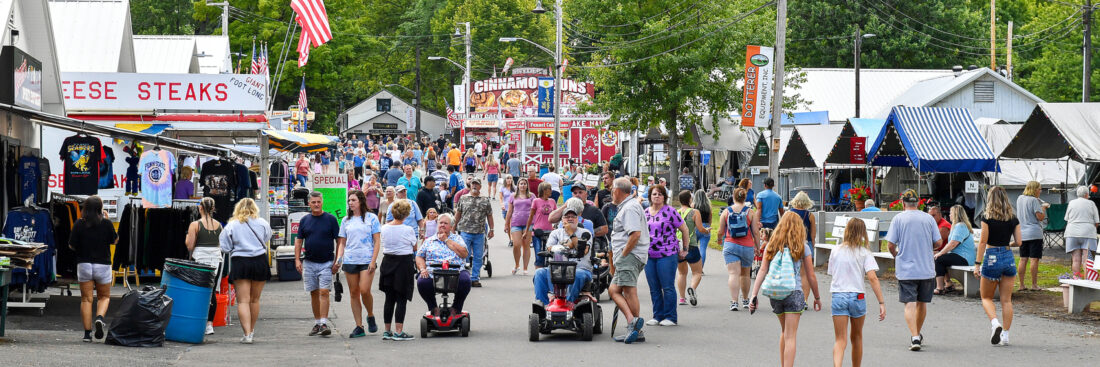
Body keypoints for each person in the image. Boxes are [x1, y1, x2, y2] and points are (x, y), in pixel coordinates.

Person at [747, 212, 822, 367]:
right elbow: (811, 275)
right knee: (791, 336)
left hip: (776, 294)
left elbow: (762, 270)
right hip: (794, 292)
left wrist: (754, 294)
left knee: (784, 332)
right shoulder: (802, 246)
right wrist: (817, 297)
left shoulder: (771, 245)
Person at [885, 189, 941, 351]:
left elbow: (890, 244)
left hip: (906, 268)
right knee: (922, 303)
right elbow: (938, 243)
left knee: (909, 302)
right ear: (918, 203)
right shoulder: (928, 219)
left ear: (903, 203)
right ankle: (917, 333)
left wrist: (895, 255)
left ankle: (915, 336)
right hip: (926, 267)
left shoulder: (898, 219)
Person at [828, 218, 886, 367]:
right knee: (857, 337)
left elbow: (832, 273)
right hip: (857, 295)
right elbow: (872, 278)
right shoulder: (864, 253)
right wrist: (881, 302)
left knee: (840, 339)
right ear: (863, 233)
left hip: (839, 294)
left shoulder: (835, 250)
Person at [219, 198, 272, 344]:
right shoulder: (262, 223)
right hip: (259, 261)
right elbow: (268, 237)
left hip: (240, 262)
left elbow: (224, 247)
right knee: (255, 300)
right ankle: (252, 330)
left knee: (243, 301)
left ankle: (247, 334)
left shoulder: (232, 225)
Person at [975, 186, 1020, 346]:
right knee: (1006, 300)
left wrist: (977, 264)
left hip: (992, 255)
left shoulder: (986, 218)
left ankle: (995, 323)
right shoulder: (1013, 218)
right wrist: (1008, 243)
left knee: (986, 296)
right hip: (1008, 256)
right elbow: (1019, 242)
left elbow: (982, 242)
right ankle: (1006, 336)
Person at [608, 177, 651, 344]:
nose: (611, 192)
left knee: (628, 291)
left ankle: (634, 325)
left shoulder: (630, 208)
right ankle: (633, 324)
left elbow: (635, 234)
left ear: (618, 190)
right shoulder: (629, 206)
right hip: (630, 256)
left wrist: (623, 255)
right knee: (614, 290)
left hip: (629, 256)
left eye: (612, 189)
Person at [293, 192, 342, 337]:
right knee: (313, 292)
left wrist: (337, 261)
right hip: (309, 262)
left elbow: (339, 241)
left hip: (327, 261)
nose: (316, 204)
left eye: (318, 202)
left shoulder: (331, 219)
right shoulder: (305, 220)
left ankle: (324, 322)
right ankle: (317, 322)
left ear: (322, 202)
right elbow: (298, 241)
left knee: (324, 291)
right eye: (313, 202)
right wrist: (297, 259)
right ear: (309, 203)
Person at [70, 196, 117, 343]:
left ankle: (87, 334)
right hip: (102, 265)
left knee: (86, 299)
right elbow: (115, 240)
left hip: (84, 264)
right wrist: (106, 219)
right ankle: (100, 318)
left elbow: (71, 245)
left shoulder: (79, 224)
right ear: (99, 209)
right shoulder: (107, 223)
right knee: (104, 297)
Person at [339, 190, 382, 338]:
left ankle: (370, 315)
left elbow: (377, 241)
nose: (350, 203)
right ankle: (359, 325)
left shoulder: (372, 218)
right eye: (349, 200)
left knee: (364, 290)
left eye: (353, 200)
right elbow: (342, 242)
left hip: (366, 260)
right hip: (350, 259)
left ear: (361, 201)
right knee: (353, 293)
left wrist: (373, 260)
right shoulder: (346, 220)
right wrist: (339, 257)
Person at [533, 204, 592, 305]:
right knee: (539, 273)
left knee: (577, 274)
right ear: (562, 220)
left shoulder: (585, 233)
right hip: (557, 269)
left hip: (579, 268)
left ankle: (568, 303)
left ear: (577, 219)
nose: (570, 219)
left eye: (573, 216)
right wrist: (568, 246)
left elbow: (583, 250)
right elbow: (550, 248)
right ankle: (544, 305)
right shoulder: (555, 233)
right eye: (567, 216)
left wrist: (571, 234)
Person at [416, 213, 472, 315]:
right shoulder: (429, 241)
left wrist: (446, 240)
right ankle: (433, 308)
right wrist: (422, 269)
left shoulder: (457, 238)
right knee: (422, 282)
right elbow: (419, 256)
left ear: (451, 227)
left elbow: (464, 254)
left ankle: (456, 308)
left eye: (445, 223)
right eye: (440, 223)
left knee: (466, 280)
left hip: (455, 271)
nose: (442, 225)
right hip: (433, 271)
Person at [378, 200, 418, 341]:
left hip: (388, 261)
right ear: (406, 214)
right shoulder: (408, 229)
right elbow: (414, 247)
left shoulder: (384, 228)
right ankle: (399, 331)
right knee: (401, 298)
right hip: (403, 263)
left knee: (389, 299)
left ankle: (387, 331)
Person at [184, 198, 223, 336]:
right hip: (216, 259)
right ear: (213, 209)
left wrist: (187, 238)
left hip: (200, 257)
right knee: (211, 292)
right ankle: (209, 324)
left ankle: (196, 320)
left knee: (197, 290)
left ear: (200, 208)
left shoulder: (195, 225)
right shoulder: (219, 225)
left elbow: (190, 246)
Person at [719, 188, 760, 311]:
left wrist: (719, 240)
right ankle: (746, 300)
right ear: (745, 197)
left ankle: (734, 302)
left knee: (733, 274)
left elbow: (721, 231)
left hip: (731, 245)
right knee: (745, 275)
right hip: (747, 246)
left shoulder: (726, 211)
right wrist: (757, 247)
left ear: (733, 196)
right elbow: (756, 232)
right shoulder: (750, 212)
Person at [453, 177, 494, 287]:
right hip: (465, 231)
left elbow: (489, 215)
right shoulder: (463, 198)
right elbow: (458, 214)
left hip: (479, 232)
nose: (474, 186)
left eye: (477, 184)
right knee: (463, 255)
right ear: (470, 186)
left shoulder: (485, 200)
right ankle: (463, 277)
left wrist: (492, 229)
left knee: (478, 256)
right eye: (473, 184)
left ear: (480, 186)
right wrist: (453, 227)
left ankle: (475, 278)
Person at [933, 205, 976, 295]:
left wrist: (940, 253)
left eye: (951, 213)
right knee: (938, 257)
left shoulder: (960, 226)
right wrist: (939, 252)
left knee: (939, 259)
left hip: (964, 257)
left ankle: (940, 288)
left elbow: (953, 244)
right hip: (959, 256)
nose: (949, 215)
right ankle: (948, 284)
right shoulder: (957, 226)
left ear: (956, 214)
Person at [675, 190, 705, 307]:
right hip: (691, 245)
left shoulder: (676, 213)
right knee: (697, 272)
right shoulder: (694, 212)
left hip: (679, 246)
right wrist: (706, 230)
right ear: (689, 199)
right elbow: (700, 228)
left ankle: (682, 298)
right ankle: (692, 288)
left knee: (682, 273)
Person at [1016, 181, 1047, 291]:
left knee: (1023, 259)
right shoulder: (1034, 200)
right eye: (1039, 189)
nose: (1040, 191)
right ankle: (1034, 285)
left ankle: (1021, 284)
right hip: (1034, 232)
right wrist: (1043, 208)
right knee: (1034, 259)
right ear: (1034, 189)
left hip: (1022, 232)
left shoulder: (1020, 198)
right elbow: (1040, 217)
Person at [1064, 186, 1099, 278]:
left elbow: (1066, 218)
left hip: (1072, 233)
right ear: (1087, 194)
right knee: (1087, 260)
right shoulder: (1091, 203)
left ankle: (1076, 280)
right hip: (1088, 233)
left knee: (1075, 259)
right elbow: (1097, 222)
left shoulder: (1071, 203)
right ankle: (1087, 282)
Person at [789, 192, 817, 302]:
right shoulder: (810, 216)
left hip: (792, 244)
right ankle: (804, 300)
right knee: (805, 274)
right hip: (806, 244)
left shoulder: (789, 214)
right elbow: (813, 234)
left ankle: (792, 298)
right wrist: (812, 246)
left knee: (792, 272)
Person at [507, 178, 535, 275]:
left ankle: (525, 268)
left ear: (527, 185)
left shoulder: (531, 196)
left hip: (528, 224)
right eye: (521, 184)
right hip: (516, 223)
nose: (523, 185)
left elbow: (535, 209)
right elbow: (510, 211)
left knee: (526, 245)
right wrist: (506, 224)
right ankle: (517, 264)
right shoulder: (513, 196)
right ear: (517, 185)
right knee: (516, 244)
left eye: (524, 184)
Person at [526, 182, 557, 269]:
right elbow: (531, 216)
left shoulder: (552, 201)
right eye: (549, 189)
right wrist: (526, 231)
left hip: (550, 231)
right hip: (538, 231)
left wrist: (556, 226)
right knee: (539, 255)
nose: (551, 191)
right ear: (544, 190)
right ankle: (538, 275)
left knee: (550, 255)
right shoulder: (536, 201)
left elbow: (556, 215)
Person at [692, 190, 713, 267]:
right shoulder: (708, 206)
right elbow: (710, 218)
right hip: (706, 227)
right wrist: (708, 226)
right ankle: (700, 267)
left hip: (695, 227)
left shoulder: (693, 206)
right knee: (703, 248)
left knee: (694, 248)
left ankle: (694, 266)